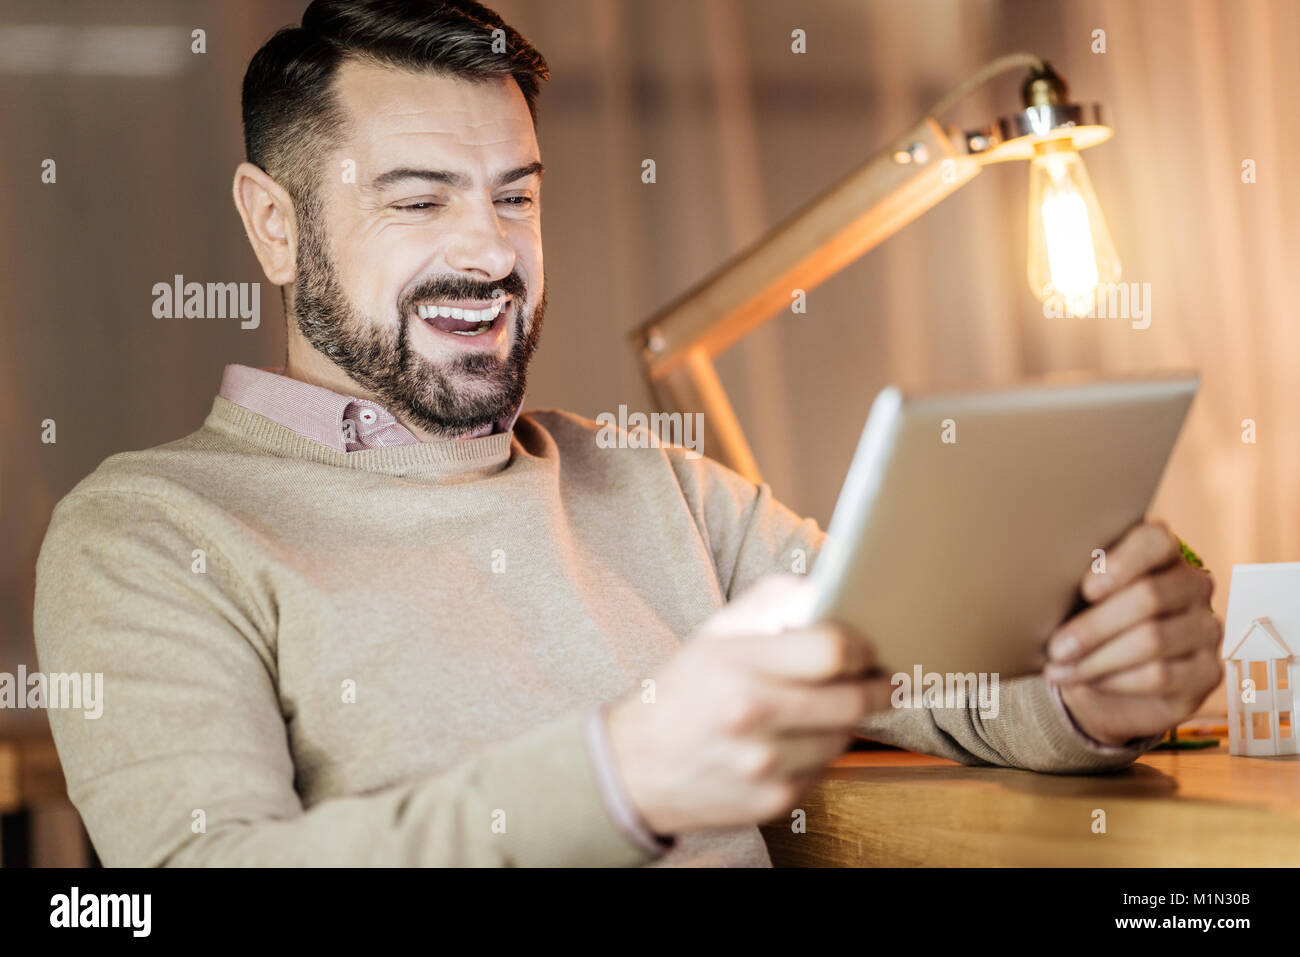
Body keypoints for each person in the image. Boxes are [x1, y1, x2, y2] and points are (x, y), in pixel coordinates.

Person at [33, 0, 1222, 867]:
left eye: (516, 195)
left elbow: (935, 675)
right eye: (417, 199)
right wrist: (621, 777)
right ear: (274, 226)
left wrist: (1092, 689)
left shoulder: (659, 486)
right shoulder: (149, 532)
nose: (490, 251)